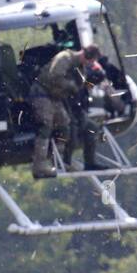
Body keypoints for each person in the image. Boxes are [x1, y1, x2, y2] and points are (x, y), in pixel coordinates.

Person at [30, 43, 93, 178]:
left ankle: (58, 160)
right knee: (46, 125)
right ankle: (39, 165)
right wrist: (70, 85)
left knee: (65, 125)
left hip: (55, 97)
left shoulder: (80, 68)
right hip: (42, 93)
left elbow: (80, 84)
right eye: (89, 61)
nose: (89, 64)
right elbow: (55, 76)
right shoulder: (64, 58)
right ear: (85, 56)